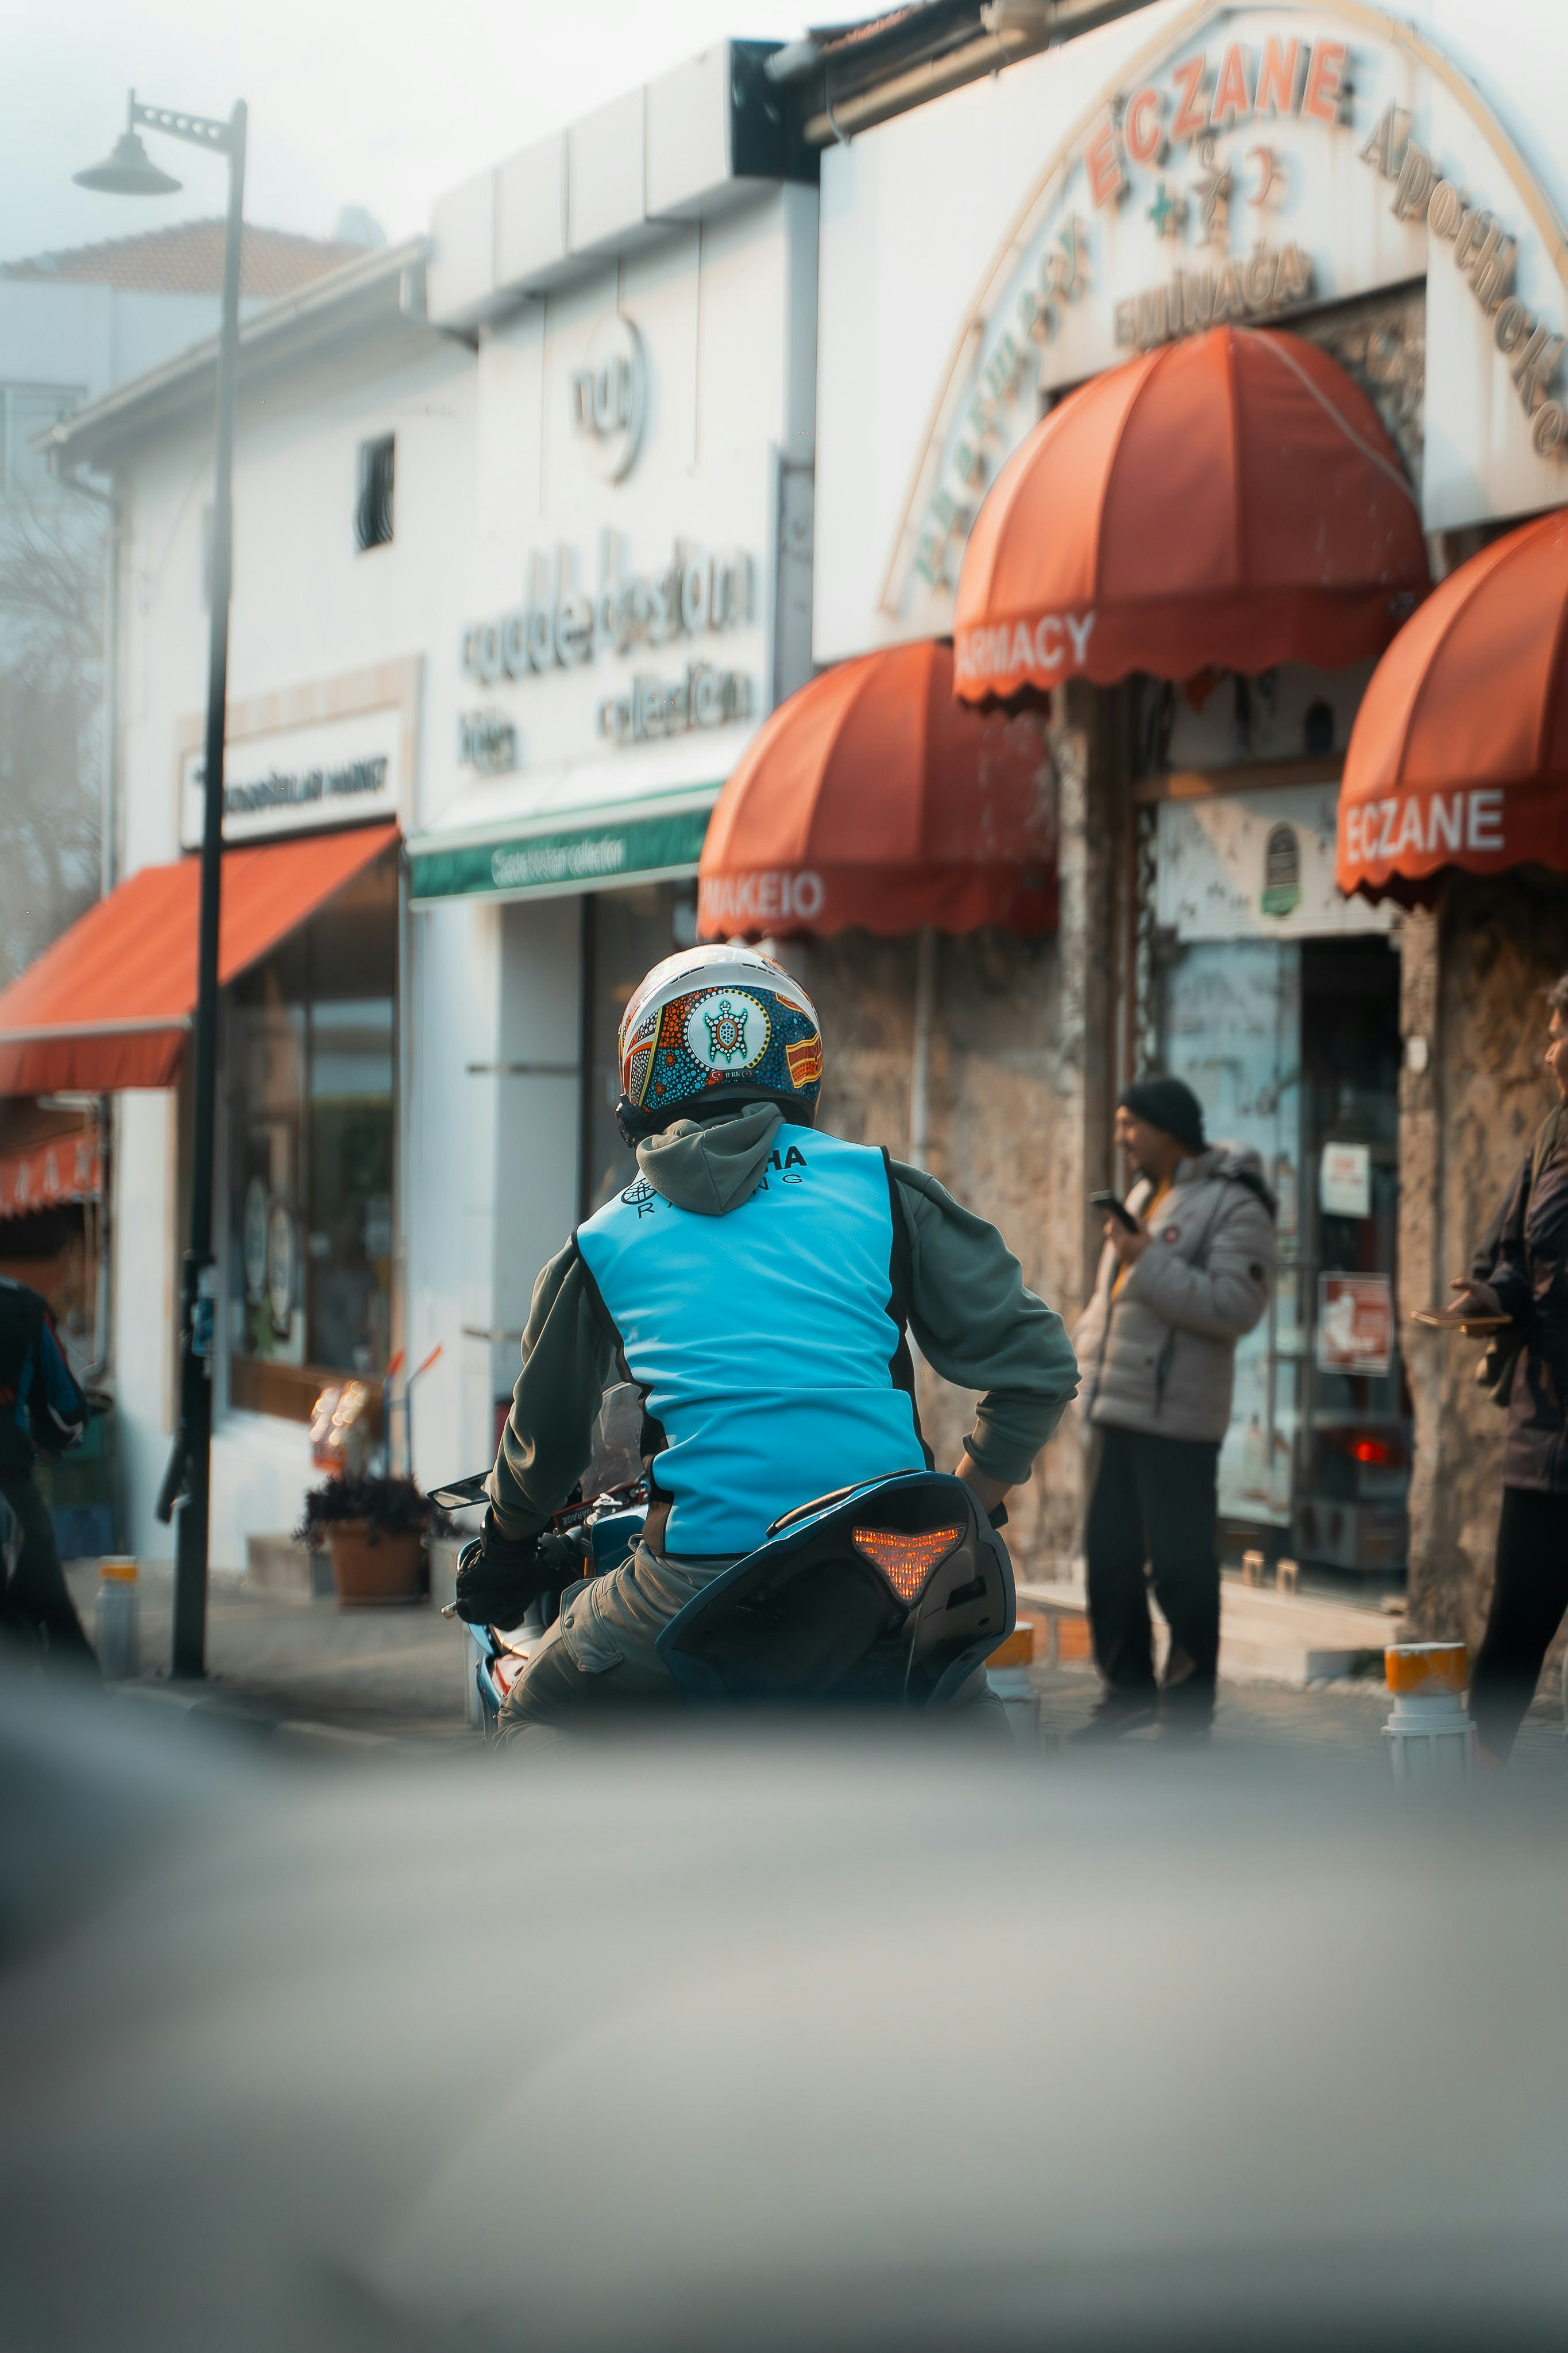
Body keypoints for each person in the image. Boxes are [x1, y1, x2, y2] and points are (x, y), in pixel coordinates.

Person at [454, 943, 1079, 1745]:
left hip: (693, 1584)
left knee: (532, 1715)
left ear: (642, 1078)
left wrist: (505, 1546)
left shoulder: (602, 1245)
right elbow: (1039, 1368)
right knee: (988, 1773)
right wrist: (973, 1499)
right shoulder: (881, 1189)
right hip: (895, 1573)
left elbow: (540, 1454)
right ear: (796, 1063)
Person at [1072, 1077, 1276, 1741]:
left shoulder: (1237, 1202)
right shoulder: (1141, 1195)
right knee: (1108, 1557)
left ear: (1167, 1127)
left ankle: (1189, 1709)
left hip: (1178, 1420)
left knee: (1183, 1566)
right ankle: (1127, 1689)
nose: (1122, 1137)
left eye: (1131, 1124)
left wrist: (1144, 1256)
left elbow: (1233, 1307)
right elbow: (1116, 1305)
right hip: (1117, 1407)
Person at [1447, 973, 1568, 1764]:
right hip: (1547, 1439)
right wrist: (1485, 1297)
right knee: (1513, 1631)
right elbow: (1512, 1261)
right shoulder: (1551, 1136)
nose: (1548, 1050)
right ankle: (1472, 1798)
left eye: (1563, 1033)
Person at [0, 1272, 95, 1670]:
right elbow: (65, 1402)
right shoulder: (25, 1307)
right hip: (8, 1474)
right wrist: (60, 1433)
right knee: (49, 1595)